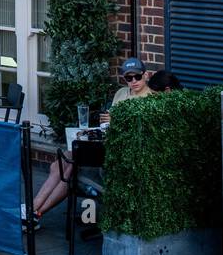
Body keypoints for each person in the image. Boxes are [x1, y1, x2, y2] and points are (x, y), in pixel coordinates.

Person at [30, 57, 155, 223]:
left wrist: (115, 122)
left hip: (118, 154)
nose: (133, 81)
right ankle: (33, 209)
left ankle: (35, 212)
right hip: (105, 143)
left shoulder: (150, 100)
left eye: (137, 77)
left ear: (145, 75)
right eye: (128, 78)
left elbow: (141, 132)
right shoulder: (121, 93)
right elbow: (109, 124)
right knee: (59, 162)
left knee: (71, 167)